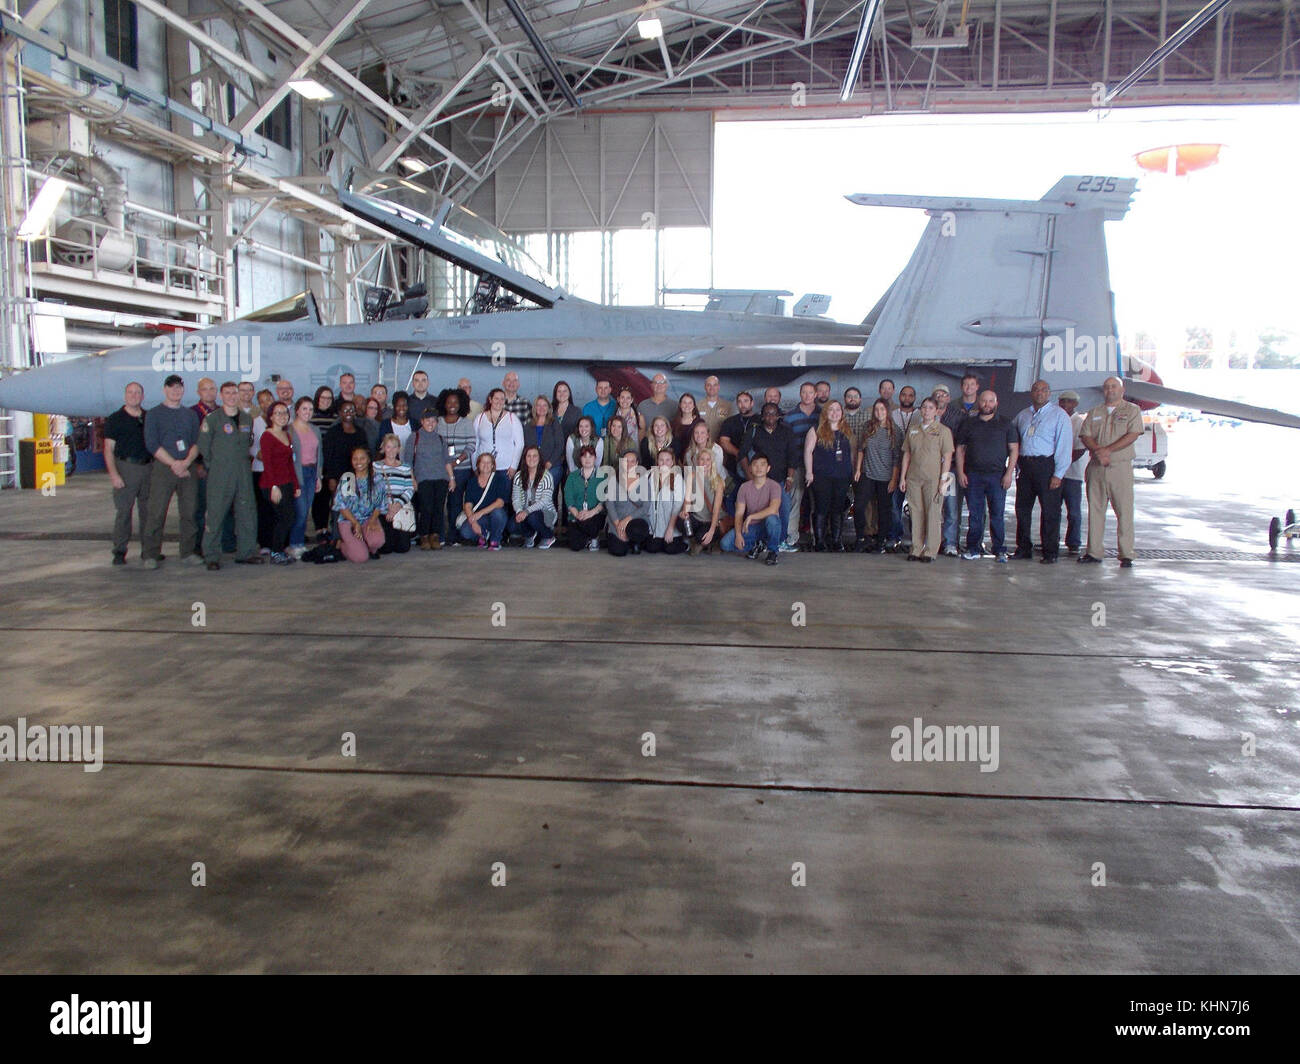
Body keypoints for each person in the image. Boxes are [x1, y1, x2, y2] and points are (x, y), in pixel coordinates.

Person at [197, 380, 263, 570]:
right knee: (216, 513)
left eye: (235, 393)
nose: (232, 396)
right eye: (227, 393)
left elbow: (248, 444)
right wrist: (214, 465)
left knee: (247, 512)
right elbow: (204, 447)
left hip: (242, 471)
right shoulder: (212, 419)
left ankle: (246, 552)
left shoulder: (246, 419)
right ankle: (211, 555)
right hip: (220, 473)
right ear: (221, 395)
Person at [1078, 376, 1144, 568]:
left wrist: (1108, 450)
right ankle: (1094, 551)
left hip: (1119, 467)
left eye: (1114, 387)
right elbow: (1085, 434)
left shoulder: (1131, 410)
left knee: (1124, 511)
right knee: (1095, 510)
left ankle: (1126, 554)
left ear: (1122, 390)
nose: (1110, 390)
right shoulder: (1095, 412)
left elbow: (1132, 434)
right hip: (1096, 467)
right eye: (1106, 387)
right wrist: (1099, 451)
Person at [141, 374, 202, 570]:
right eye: (172, 387)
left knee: (189, 511)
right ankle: (150, 554)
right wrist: (174, 464)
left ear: (183, 390)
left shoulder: (190, 415)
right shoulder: (153, 414)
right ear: (164, 390)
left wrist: (186, 463)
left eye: (179, 387)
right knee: (156, 512)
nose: (176, 391)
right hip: (163, 467)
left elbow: (196, 443)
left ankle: (188, 552)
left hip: (187, 467)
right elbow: (152, 444)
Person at [1011, 379, 1073, 564]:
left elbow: (1064, 445)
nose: (1039, 393)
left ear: (1049, 393)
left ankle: (1050, 551)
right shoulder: (1023, 415)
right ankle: (1023, 548)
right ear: (1031, 393)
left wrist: (1058, 474)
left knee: (1050, 511)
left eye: (1043, 390)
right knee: (1022, 509)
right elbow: (1012, 437)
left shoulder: (1059, 415)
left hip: (1047, 466)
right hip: (1025, 466)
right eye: (1036, 390)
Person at [955, 390, 1019, 563]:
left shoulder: (1006, 424)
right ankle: (973, 548)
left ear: (996, 403)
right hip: (973, 476)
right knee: (975, 514)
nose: (987, 404)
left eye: (991, 401)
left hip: (997, 477)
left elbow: (1014, 450)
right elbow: (960, 450)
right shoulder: (969, 423)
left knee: (997, 514)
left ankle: (999, 550)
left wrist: (1009, 474)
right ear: (979, 402)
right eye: (984, 401)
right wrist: (961, 472)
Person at [898, 397, 954, 562]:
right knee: (916, 513)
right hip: (914, 478)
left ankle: (930, 551)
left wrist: (943, 481)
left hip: (934, 479)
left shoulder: (943, 431)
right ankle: (916, 548)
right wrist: (903, 477)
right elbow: (907, 454)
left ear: (936, 411)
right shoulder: (913, 430)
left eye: (930, 408)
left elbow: (947, 456)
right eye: (924, 407)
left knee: (933, 514)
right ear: (920, 410)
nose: (927, 410)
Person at [103, 381, 152, 566]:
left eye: (138, 392)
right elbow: (108, 449)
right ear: (125, 395)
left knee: (148, 512)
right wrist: (114, 475)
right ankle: (119, 551)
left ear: (143, 396)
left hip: (148, 468)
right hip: (125, 467)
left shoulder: (148, 417)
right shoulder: (115, 419)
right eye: (131, 392)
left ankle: (149, 551)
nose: (134, 395)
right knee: (124, 512)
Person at [742, 402, 799, 552]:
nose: (770, 417)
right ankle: (761, 542)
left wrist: (790, 477)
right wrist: (750, 477)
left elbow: (793, 456)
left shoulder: (786, 432)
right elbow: (742, 455)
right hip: (760, 482)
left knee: (784, 508)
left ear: (778, 415)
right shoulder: (754, 431)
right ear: (762, 416)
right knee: (759, 511)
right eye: (767, 413)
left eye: (773, 413)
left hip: (780, 480)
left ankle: (780, 541)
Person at [804, 399, 854, 552]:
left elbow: (851, 453)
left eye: (837, 409)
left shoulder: (847, 430)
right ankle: (819, 540)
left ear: (842, 413)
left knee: (838, 509)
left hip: (842, 477)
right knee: (821, 508)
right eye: (831, 409)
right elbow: (808, 451)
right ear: (825, 412)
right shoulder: (815, 430)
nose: (834, 412)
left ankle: (837, 540)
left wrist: (852, 472)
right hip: (821, 476)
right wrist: (809, 472)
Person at [853, 398, 901, 552]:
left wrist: (894, 479)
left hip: (885, 476)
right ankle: (861, 537)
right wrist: (858, 469)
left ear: (887, 411)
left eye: (882, 409)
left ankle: (881, 542)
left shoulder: (895, 431)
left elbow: (896, 458)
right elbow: (861, 449)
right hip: (868, 473)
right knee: (859, 506)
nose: (879, 412)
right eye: (876, 409)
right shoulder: (868, 427)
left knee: (883, 510)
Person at [256, 400, 300, 564]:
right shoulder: (267, 436)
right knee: (285, 518)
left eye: (285, 413)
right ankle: (276, 552)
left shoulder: (287, 435)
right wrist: (274, 487)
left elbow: (290, 463)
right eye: (278, 413)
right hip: (272, 484)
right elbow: (267, 464)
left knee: (287, 517)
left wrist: (295, 485)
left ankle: (279, 550)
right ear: (271, 417)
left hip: (287, 483)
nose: (282, 416)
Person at [405, 407, 452, 550]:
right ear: (422, 421)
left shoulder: (440, 438)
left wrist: (452, 478)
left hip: (441, 478)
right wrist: (412, 479)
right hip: (423, 478)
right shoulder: (414, 437)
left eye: (433, 421)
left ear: (437, 422)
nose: (430, 423)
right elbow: (408, 461)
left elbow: (446, 460)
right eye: (427, 420)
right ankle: (424, 535)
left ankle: (435, 535)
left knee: (438, 508)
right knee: (426, 508)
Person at [722, 453, 783, 565]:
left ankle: (773, 552)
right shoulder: (744, 487)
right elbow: (739, 513)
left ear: (768, 468)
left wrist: (751, 516)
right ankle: (757, 545)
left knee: (772, 519)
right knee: (725, 544)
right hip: (751, 527)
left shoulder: (774, 486)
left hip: (767, 525)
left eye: (762, 465)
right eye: (755, 465)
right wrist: (738, 534)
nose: (759, 468)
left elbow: (773, 509)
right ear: (750, 468)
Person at [333, 446, 389, 562]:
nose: (358, 462)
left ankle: (366, 545)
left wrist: (373, 520)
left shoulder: (377, 478)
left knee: (377, 541)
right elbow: (341, 505)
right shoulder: (347, 479)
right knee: (360, 558)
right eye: (355, 459)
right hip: (349, 521)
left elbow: (381, 504)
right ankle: (342, 545)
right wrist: (355, 523)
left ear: (368, 460)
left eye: (362, 458)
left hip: (368, 518)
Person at [782, 382, 820, 550]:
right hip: (796, 464)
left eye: (810, 392)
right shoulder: (790, 416)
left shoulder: (822, 415)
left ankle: (816, 536)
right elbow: (786, 444)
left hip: (817, 466)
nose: (807, 395)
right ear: (800, 394)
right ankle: (792, 535)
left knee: (816, 502)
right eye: (803, 392)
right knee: (795, 500)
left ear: (815, 394)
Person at [936, 384, 971, 557]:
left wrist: (959, 468)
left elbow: (961, 445)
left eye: (944, 395)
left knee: (950, 507)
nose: (940, 398)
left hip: (949, 470)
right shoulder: (927, 414)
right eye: (937, 395)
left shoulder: (958, 416)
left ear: (948, 398)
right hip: (930, 471)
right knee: (931, 507)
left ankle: (950, 543)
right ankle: (931, 541)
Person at [322, 401, 365, 534]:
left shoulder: (360, 432)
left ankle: (355, 538)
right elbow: (328, 457)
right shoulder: (333, 433)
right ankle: (337, 538)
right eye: (345, 411)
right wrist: (331, 478)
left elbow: (365, 454)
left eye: (351, 410)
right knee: (338, 509)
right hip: (338, 477)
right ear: (340, 413)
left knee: (356, 508)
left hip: (357, 478)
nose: (349, 413)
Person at [288, 396, 323, 558]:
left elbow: (319, 454)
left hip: (311, 473)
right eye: (304, 409)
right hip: (297, 473)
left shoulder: (315, 430)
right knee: (300, 511)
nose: (307, 412)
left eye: (310, 409)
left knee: (306, 510)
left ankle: (299, 543)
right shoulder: (290, 430)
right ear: (297, 410)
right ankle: (295, 544)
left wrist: (318, 476)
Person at [189, 377, 218, 555]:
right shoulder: (192, 413)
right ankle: (198, 545)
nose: (209, 392)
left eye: (212, 389)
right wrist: (197, 464)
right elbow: (191, 441)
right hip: (202, 467)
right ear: (199, 392)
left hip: (220, 467)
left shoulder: (223, 412)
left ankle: (224, 542)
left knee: (221, 507)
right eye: (205, 389)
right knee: (200, 508)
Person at [439, 389, 476, 526]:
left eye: (455, 402)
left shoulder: (466, 423)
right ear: (444, 404)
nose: (452, 405)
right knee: (440, 501)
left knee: (456, 502)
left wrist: (456, 462)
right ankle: (440, 534)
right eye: (449, 402)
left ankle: (453, 536)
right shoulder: (438, 422)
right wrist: (447, 465)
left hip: (462, 469)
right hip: (441, 470)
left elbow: (471, 445)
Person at [458, 452, 511, 549]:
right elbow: (468, 504)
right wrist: (472, 521)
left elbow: (500, 502)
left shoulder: (500, 479)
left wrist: (480, 513)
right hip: (480, 518)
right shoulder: (472, 482)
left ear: (492, 465)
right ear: (478, 465)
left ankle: (495, 540)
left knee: (497, 513)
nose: (486, 465)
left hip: (494, 515)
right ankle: (483, 535)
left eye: (488, 462)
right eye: (483, 462)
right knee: (465, 531)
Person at [373, 433, 415, 554]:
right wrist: (387, 507)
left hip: (400, 509)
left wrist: (397, 505)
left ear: (398, 449)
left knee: (403, 548)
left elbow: (409, 489)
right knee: (386, 548)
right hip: (383, 510)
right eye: (388, 447)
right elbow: (375, 490)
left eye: (394, 447)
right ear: (383, 448)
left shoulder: (405, 468)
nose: (391, 450)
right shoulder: (376, 466)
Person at [1058, 390, 1088, 556]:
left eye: (1068, 402)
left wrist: (1062, 464)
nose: (1064, 405)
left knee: (1074, 511)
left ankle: (1074, 543)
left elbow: (1080, 449)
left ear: (1075, 404)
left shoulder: (1079, 422)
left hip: (1072, 475)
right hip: (1057, 474)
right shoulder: (1058, 419)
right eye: (1062, 401)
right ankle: (1051, 539)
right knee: (1053, 510)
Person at [682, 446, 728, 555]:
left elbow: (716, 509)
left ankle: (708, 541)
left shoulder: (718, 481)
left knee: (701, 536)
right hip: (697, 517)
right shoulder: (692, 476)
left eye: (708, 459)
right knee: (681, 522)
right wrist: (685, 511)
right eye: (702, 459)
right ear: (697, 461)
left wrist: (711, 531)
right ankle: (698, 543)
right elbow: (687, 499)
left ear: (712, 462)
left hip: (711, 520)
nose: (704, 462)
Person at [510, 444, 557, 548]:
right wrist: (519, 511)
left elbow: (545, 500)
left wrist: (526, 512)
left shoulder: (546, 476)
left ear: (539, 458)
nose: (532, 458)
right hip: (525, 511)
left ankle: (548, 536)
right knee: (512, 525)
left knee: (532, 517)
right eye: (529, 456)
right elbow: (516, 498)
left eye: (535, 456)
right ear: (525, 458)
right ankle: (530, 535)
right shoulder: (518, 476)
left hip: (545, 512)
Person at [605, 450, 652, 556]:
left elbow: (645, 507)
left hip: (636, 520)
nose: (629, 464)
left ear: (637, 464)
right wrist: (618, 524)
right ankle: (623, 540)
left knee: (637, 530)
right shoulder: (613, 480)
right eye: (626, 461)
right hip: (617, 520)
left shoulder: (643, 481)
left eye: (632, 461)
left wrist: (627, 520)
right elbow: (610, 505)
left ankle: (635, 542)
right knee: (618, 551)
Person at [474, 388, 524, 480]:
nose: (499, 401)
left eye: (502, 399)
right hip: (484, 468)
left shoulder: (512, 418)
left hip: (506, 468)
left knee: (503, 494)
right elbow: (475, 443)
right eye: (496, 398)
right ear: (490, 399)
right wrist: (474, 465)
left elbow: (520, 444)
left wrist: (514, 466)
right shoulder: (479, 418)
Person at [564, 444, 607, 551]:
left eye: (590, 456)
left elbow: (603, 501)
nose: (587, 459)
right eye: (584, 456)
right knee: (575, 546)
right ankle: (586, 538)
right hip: (576, 515)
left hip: (594, 515)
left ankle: (594, 537)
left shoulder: (602, 476)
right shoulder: (572, 476)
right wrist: (577, 514)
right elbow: (569, 499)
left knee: (590, 524)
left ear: (595, 458)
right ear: (580, 459)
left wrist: (590, 513)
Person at [645, 449, 687, 555]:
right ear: (657, 462)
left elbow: (677, 506)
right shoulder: (649, 475)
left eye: (668, 460)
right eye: (661, 460)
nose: (664, 463)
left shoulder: (677, 479)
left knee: (670, 549)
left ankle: (686, 543)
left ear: (672, 462)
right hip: (654, 526)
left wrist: (670, 529)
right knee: (651, 548)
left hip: (670, 525)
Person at [309, 386, 337, 534]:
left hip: (331, 463)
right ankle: (320, 529)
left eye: (329, 398)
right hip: (315, 462)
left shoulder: (336, 417)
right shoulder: (311, 416)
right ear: (317, 399)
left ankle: (330, 529)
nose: (326, 401)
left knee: (330, 498)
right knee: (319, 498)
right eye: (323, 398)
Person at [718, 391, 758, 481]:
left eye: (745, 401)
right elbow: (724, 441)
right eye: (739, 402)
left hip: (756, 465)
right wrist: (739, 454)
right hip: (734, 465)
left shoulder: (760, 420)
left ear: (752, 403)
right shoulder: (729, 421)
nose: (742, 404)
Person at [698, 376, 732, 442]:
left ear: (718, 387)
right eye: (709, 385)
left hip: (721, 447)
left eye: (715, 385)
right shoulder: (697, 405)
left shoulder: (728, 406)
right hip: (702, 446)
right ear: (705, 387)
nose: (712, 388)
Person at [670, 392, 701, 458]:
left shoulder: (700, 422)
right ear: (680, 405)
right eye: (684, 403)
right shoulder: (673, 423)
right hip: (677, 459)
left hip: (695, 458)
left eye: (690, 403)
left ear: (694, 406)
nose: (687, 405)